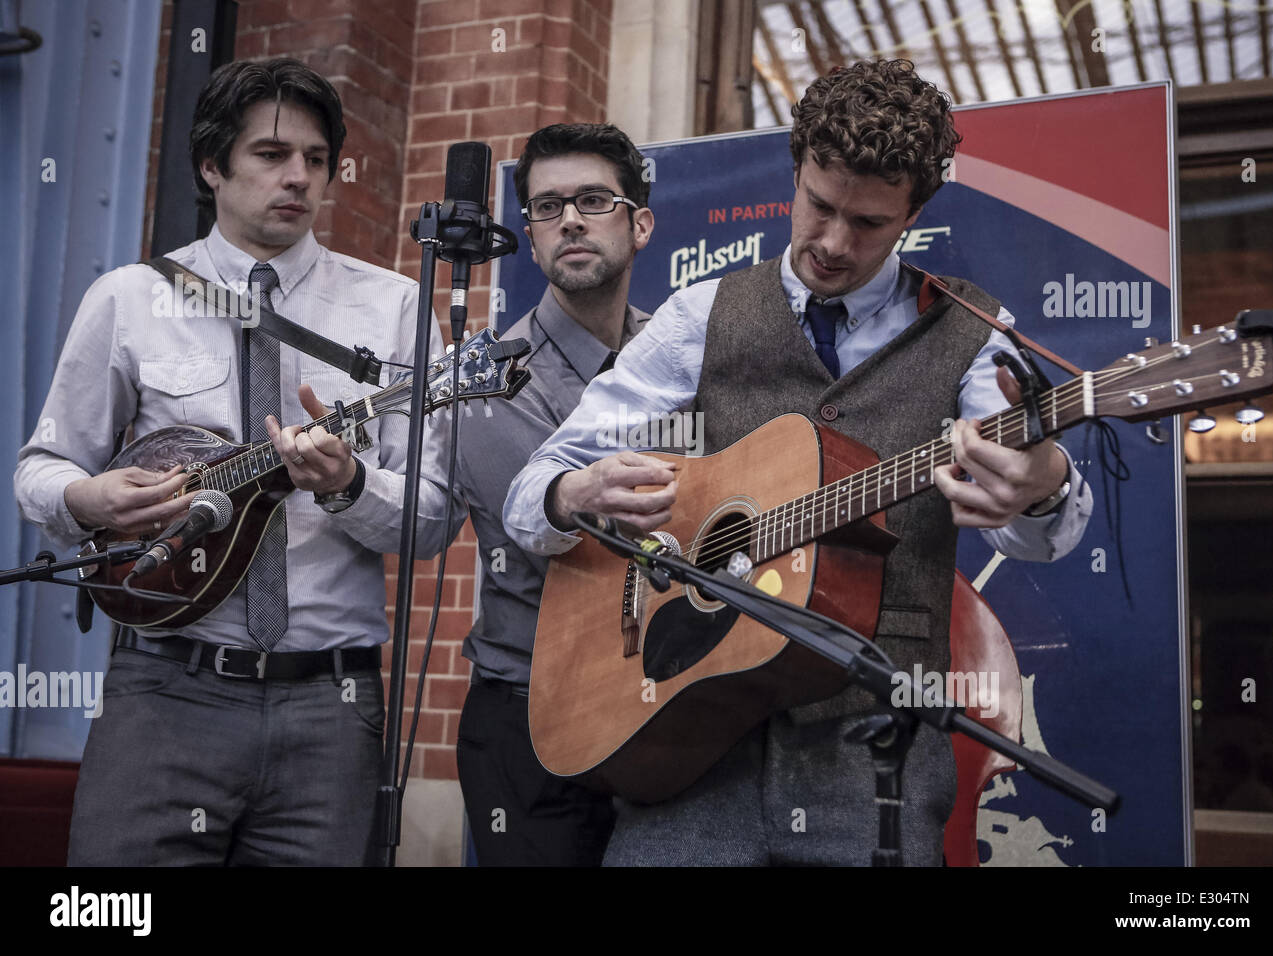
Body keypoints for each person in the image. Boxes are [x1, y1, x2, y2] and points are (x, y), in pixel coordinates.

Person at [504, 59, 1094, 866]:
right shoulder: (700, 313)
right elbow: (534, 488)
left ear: (914, 214)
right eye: (819, 206)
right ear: (796, 174)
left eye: (870, 223)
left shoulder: (974, 334)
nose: (833, 243)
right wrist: (576, 490)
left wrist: (1042, 484)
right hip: (687, 752)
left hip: (874, 764)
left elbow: (1034, 532)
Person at [14, 58, 459, 865]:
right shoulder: (127, 298)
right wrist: (90, 498)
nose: (298, 178)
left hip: (331, 707)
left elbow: (433, 519)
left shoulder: (393, 308)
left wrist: (349, 485)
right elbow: (39, 470)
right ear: (211, 165)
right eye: (271, 154)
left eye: (316, 161)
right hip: (162, 692)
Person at [452, 123, 655, 865]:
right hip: (531, 720)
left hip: (659, 705)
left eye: (594, 200)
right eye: (545, 208)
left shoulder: (675, 355)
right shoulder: (488, 376)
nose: (568, 219)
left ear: (639, 225)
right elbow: (600, 545)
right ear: (531, 240)